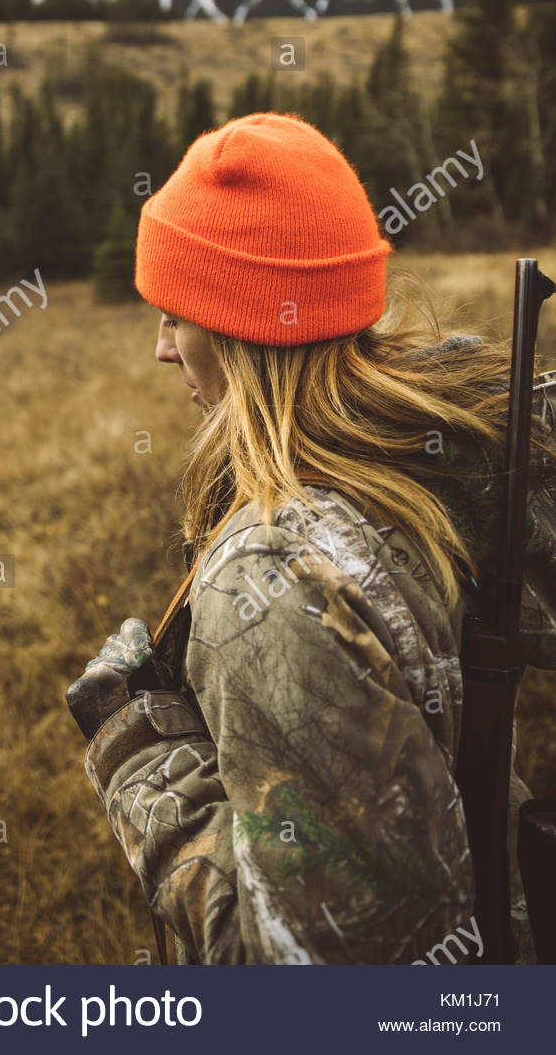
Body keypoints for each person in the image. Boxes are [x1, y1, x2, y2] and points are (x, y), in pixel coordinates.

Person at [65, 111, 556, 966]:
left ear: (244, 327)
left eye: (176, 314)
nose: (161, 349)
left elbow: (337, 977)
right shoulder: (430, 463)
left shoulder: (276, 578)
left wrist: (145, 770)